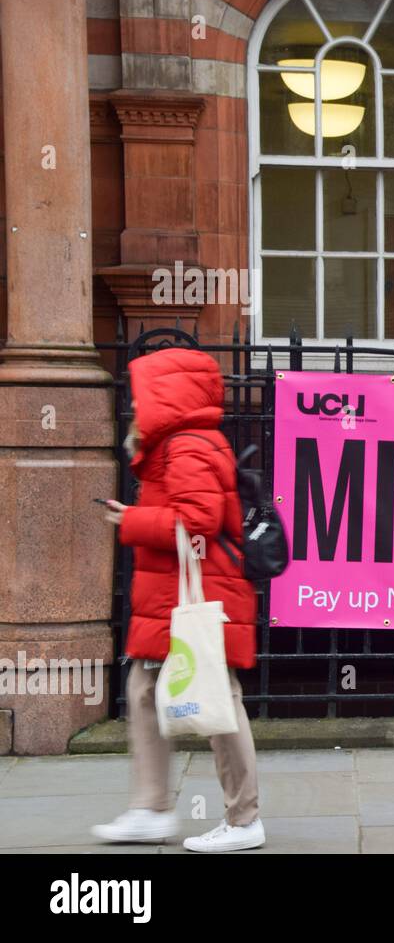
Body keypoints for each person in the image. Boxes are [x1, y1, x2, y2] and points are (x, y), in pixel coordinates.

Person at [91, 347, 266, 852]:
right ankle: (151, 810)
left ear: (164, 396)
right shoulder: (177, 443)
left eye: (140, 395)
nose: (133, 405)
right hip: (177, 596)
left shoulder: (188, 444)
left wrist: (134, 521)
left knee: (218, 700)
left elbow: (199, 523)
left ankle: (243, 819)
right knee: (145, 689)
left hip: (200, 596)